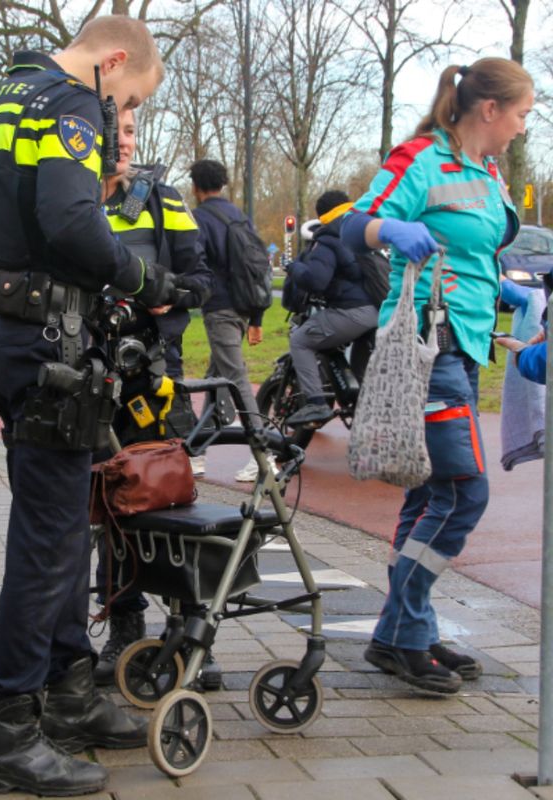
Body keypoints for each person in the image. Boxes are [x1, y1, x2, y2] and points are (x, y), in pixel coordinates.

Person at [0, 17, 176, 797]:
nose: (119, 116)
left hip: (2, 331)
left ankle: (71, 696)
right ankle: (10, 732)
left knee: (63, 522)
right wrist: (146, 283)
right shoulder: (67, 102)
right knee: (46, 540)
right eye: (130, 96)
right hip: (48, 336)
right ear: (113, 62)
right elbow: (72, 221)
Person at [341, 57, 534, 694]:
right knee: (463, 494)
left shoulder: (488, 171)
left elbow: (473, 248)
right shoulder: (422, 158)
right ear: (489, 110)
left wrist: (500, 286)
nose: (521, 129)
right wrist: (387, 227)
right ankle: (402, 631)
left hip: (465, 347)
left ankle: (407, 632)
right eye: (522, 115)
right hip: (430, 349)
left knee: (429, 495)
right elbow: (351, 226)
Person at [93, 107, 216, 688]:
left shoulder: (161, 198)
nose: (123, 141)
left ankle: (193, 636)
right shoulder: (66, 197)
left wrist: (171, 302)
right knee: (106, 513)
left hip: (152, 380)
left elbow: (200, 281)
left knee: (169, 504)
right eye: (112, 129)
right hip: (87, 380)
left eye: (131, 132)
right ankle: (124, 634)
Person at [189, 158, 275, 482]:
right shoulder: (240, 217)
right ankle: (196, 453)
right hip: (242, 308)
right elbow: (258, 268)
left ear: (196, 187)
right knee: (216, 378)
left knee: (235, 378)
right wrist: (257, 318)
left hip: (220, 310)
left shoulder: (199, 218)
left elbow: (195, 262)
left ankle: (264, 456)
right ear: (222, 184)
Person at [283, 190, 380, 426]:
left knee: (300, 340)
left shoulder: (328, 238)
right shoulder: (362, 230)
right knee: (360, 368)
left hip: (353, 311)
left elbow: (317, 280)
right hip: (377, 309)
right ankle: (364, 410)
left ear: (322, 216)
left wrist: (294, 268)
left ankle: (316, 404)